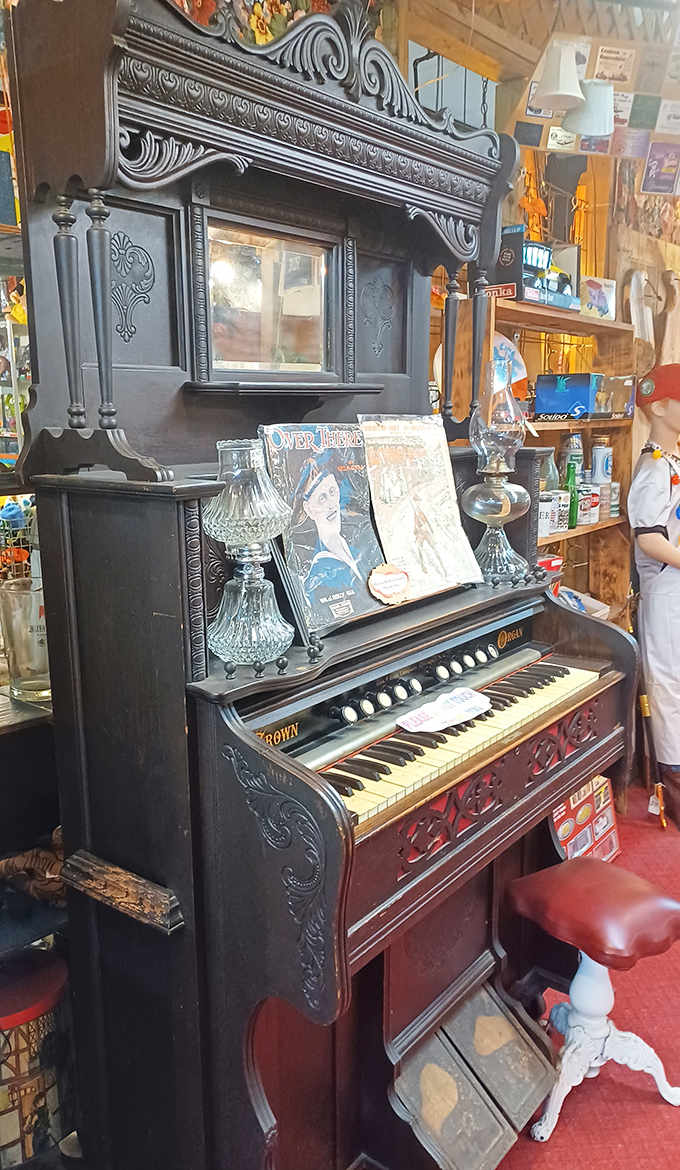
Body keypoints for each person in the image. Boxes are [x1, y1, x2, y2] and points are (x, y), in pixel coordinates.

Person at [629, 363, 680, 822]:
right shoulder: (653, 467)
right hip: (665, 592)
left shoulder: (672, 460)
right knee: (669, 688)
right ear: (660, 406)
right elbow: (649, 539)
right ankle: (675, 788)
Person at [293, 455, 379, 620]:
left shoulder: (360, 545)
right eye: (322, 498)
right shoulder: (315, 574)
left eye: (332, 492)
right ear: (308, 509)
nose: (331, 504)